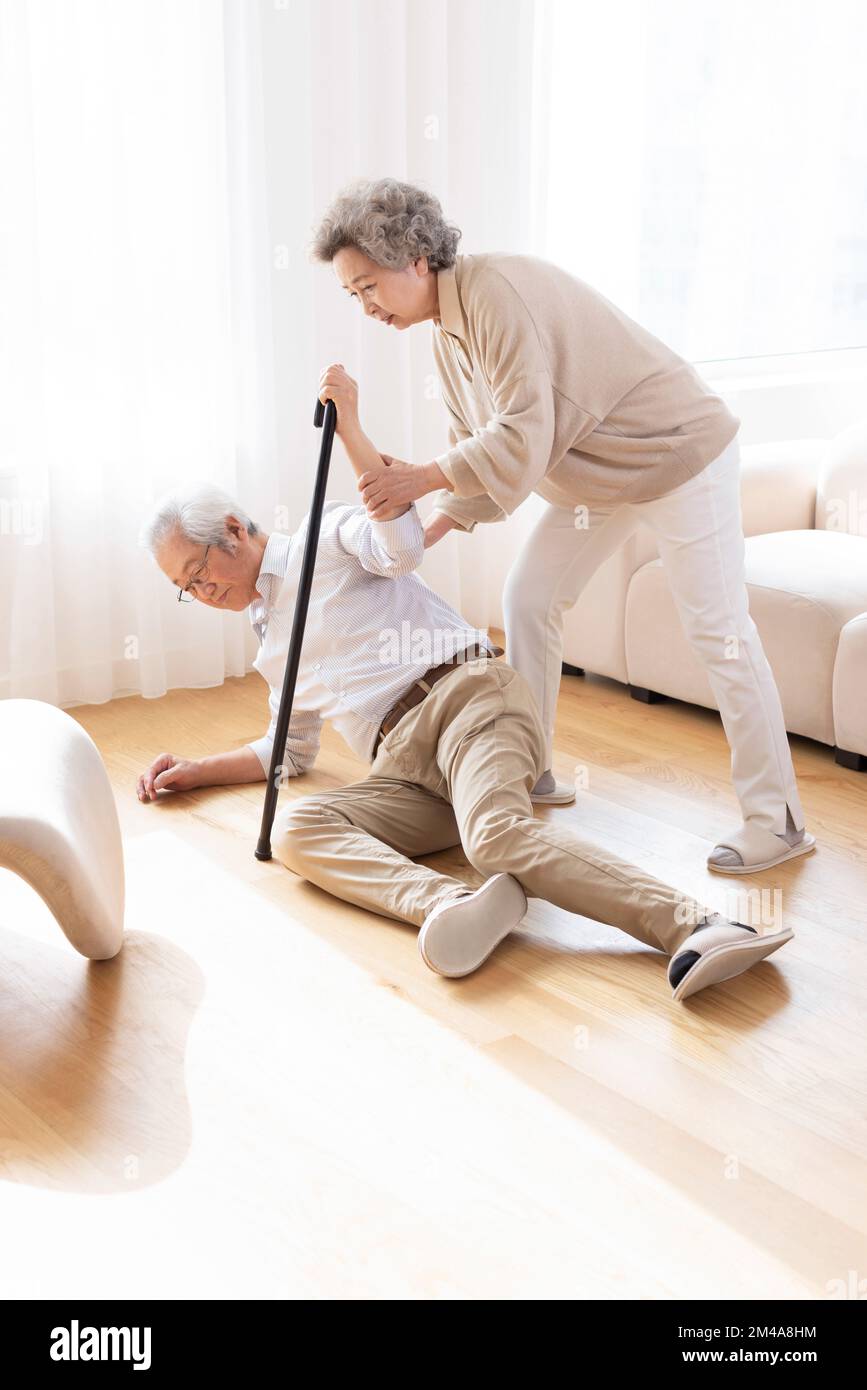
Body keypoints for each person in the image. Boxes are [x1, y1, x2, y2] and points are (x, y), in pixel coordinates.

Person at [135, 366, 793, 1003]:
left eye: (196, 572)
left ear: (230, 530)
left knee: (495, 838)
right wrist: (196, 772)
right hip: (405, 771)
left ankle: (700, 925)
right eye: (185, 591)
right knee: (297, 833)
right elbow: (288, 750)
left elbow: (401, 547)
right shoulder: (269, 640)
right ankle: (454, 904)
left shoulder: (325, 537)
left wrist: (353, 435)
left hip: (466, 702)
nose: (201, 591)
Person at [309, 176, 815, 874]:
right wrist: (431, 524)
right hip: (598, 475)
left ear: (416, 259)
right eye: (351, 294)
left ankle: (778, 820)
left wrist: (421, 477)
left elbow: (520, 431)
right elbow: (477, 446)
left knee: (718, 631)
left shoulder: (496, 295)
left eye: (367, 285)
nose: (364, 306)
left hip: (677, 454)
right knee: (529, 599)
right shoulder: (446, 334)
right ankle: (529, 768)